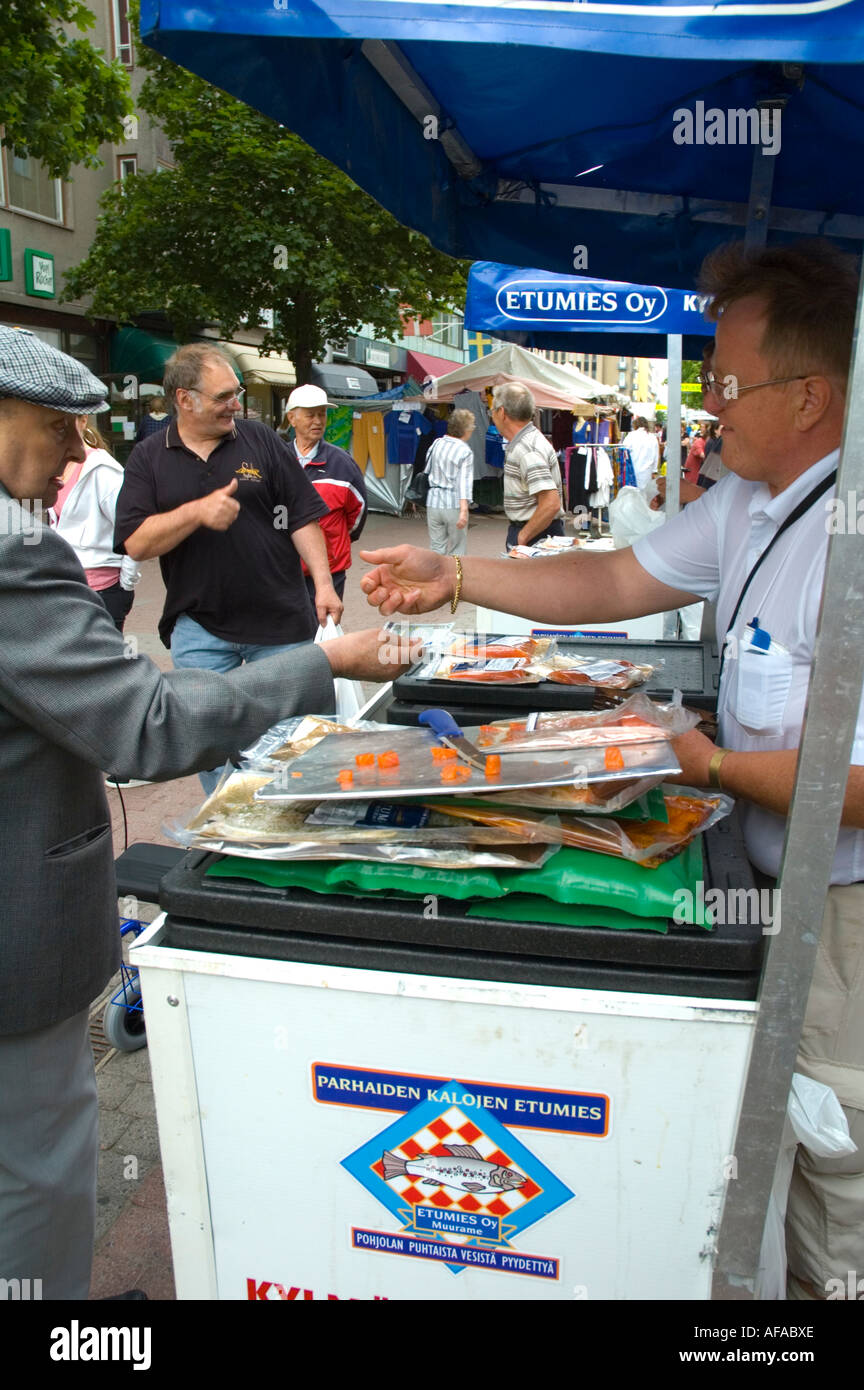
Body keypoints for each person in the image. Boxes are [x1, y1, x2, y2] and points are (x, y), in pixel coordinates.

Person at [360, 240, 864, 1301]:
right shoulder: (753, 499)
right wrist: (457, 575)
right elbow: (612, 579)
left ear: (812, 396)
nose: (710, 404)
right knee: (773, 1160)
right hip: (767, 886)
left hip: (845, 921)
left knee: (839, 1186)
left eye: (728, 383)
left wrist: (709, 762)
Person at [0, 327, 417, 1302]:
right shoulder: (17, 555)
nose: (76, 453)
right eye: (60, 427)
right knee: (38, 1163)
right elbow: (146, 726)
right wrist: (327, 660)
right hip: (18, 940)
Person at [114, 344, 343, 789]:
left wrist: (324, 584)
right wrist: (196, 512)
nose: (236, 405)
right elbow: (136, 542)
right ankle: (225, 825)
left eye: (236, 393)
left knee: (299, 742)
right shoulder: (148, 457)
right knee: (211, 745)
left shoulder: (260, 440)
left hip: (280, 621)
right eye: (223, 397)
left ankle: (300, 817)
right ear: (185, 399)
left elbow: (301, 514)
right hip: (199, 628)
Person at [48, 417, 141, 632]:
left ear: (82, 421)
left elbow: (132, 529)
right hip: (66, 584)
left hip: (103, 589)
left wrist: (126, 584)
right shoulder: (55, 465)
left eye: (63, 421)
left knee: (103, 653)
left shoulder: (102, 469)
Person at [282, 383, 367, 606]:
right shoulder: (277, 459)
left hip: (330, 570)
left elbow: (357, 514)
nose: (318, 421)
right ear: (292, 418)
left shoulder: (342, 463)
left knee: (325, 627)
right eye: (310, 415)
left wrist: (333, 540)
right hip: (284, 570)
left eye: (322, 414)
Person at [489, 382, 564, 549]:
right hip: (535, 531)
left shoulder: (527, 449)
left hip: (536, 535)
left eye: (492, 410)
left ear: (502, 412)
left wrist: (522, 537)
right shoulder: (526, 443)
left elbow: (551, 503)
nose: (491, 415)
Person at [423, 407, 474, 557]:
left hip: (433, 501)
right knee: (457, 550)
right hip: (453, 503)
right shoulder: (465, 451)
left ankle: (434, 572)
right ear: (466, 429)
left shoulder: (437, 443)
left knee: (436, 548)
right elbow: (464, 483)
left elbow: (427, 469)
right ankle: (456, 573)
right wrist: (464, 510)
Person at [622, 416, 660, 493]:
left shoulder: (631, 436)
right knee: (645, 494)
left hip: (633, 470)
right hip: (647, 472)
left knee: (633, 493)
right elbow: (656, 456)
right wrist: (654, 470)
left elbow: (624, 452)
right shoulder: (652, 438)